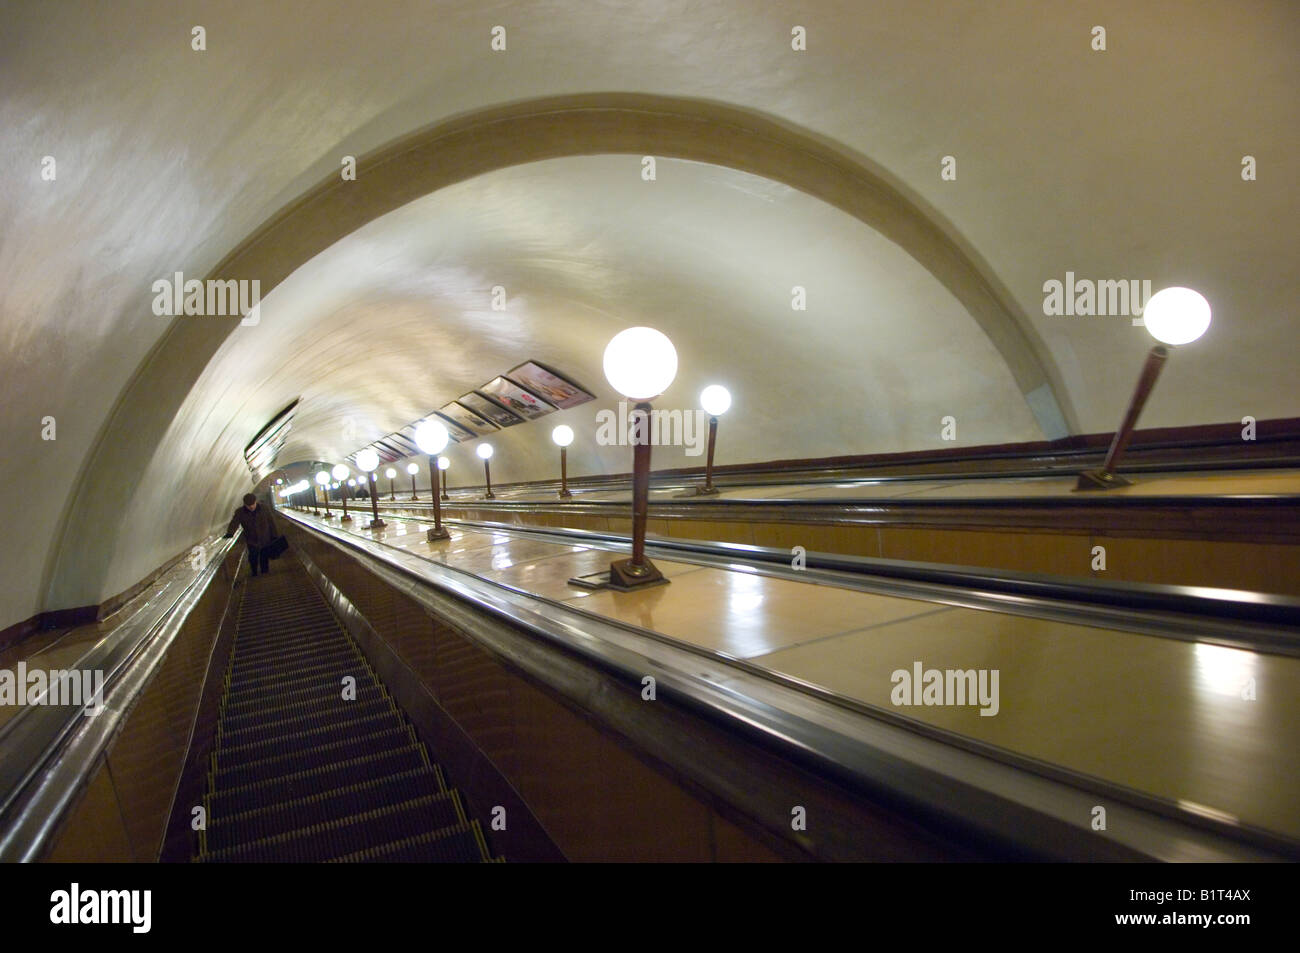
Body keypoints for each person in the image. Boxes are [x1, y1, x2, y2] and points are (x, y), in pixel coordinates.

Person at [223, 492, 279, 578]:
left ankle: (265, 572)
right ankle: (254, 572)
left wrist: (275, 535)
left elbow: (271, 522)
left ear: (255, 501)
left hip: (265, 536)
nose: (251, 507)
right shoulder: (240, 512)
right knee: (253, 556)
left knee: (264, 555)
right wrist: (230, 533)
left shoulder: (264, 508)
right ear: (244, 504)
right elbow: (234, 523)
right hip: (251, 538)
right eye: (248, 506)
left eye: (253, 504)